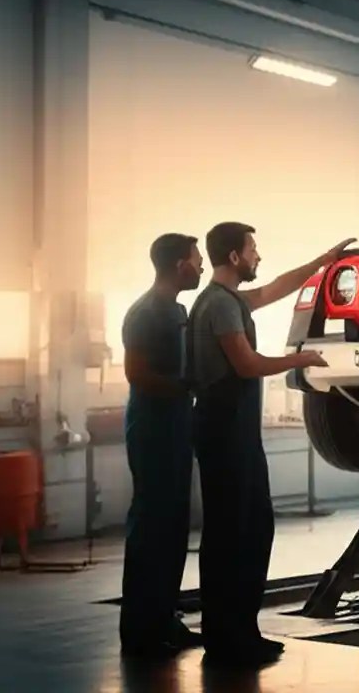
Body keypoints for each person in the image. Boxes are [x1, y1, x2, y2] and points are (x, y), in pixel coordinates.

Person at [187, 221, 358, 666]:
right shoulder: (221, 307)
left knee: (246, 529)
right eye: (253, 250)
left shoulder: (224, 300)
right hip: (225, 432)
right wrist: (301, 358)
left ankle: (238, 631)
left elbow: (275, 289)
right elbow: (246, 364)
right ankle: (230, 637)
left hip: (233, 432)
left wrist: (323, 262)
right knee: (236, 534)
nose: (258, 258)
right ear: (234, 257)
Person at [119, 232, 205, 658]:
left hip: (175, 423)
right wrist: (183, 388)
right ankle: (140, 627)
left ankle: (163, 618)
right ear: (179, 266)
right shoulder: (144, 313)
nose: (201, 267)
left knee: (173, 526)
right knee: (152, 524)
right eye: (196, 260)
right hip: (152, 426)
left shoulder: (179, 311)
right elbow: (136, 372)